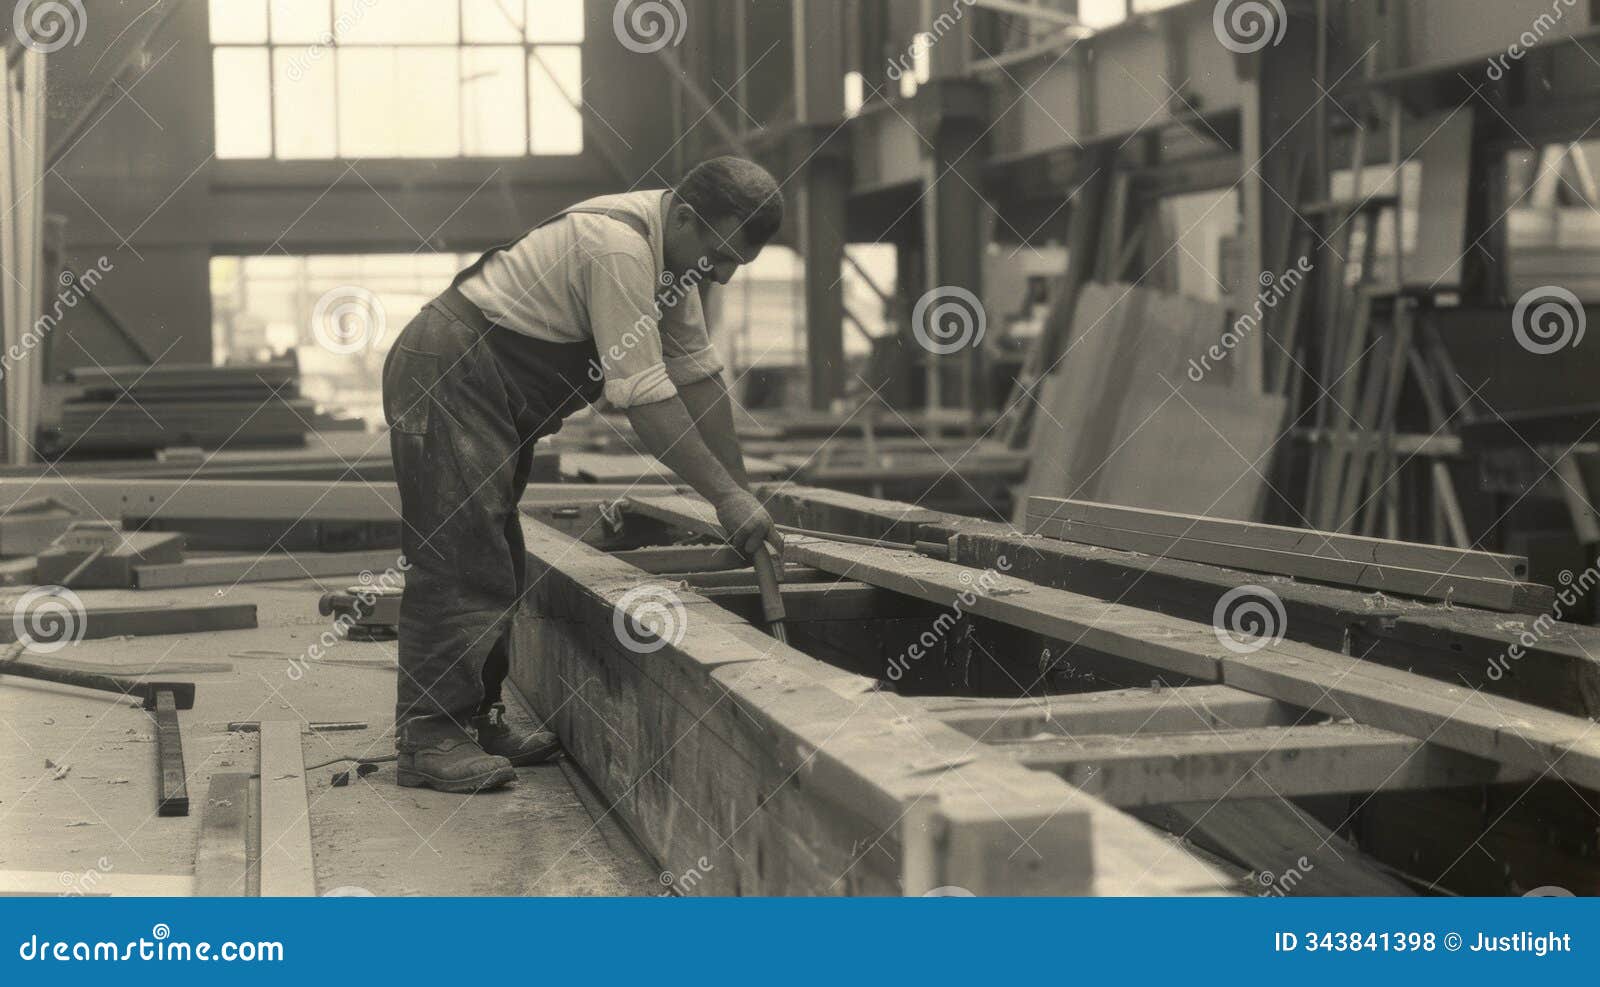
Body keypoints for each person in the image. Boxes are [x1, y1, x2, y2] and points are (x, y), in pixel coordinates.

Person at [381, 156, 785, 792]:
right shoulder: (618, 249)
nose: (727, 275)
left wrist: (742, 498)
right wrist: (725, 501)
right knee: (462, 556)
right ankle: (429, 736)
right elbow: (647, 397)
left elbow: (697, 376)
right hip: (450, 371)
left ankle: (477, 719)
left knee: (498, 552)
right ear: (683, 218)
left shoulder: (672, 262)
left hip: (483, 384)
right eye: (722, 254)